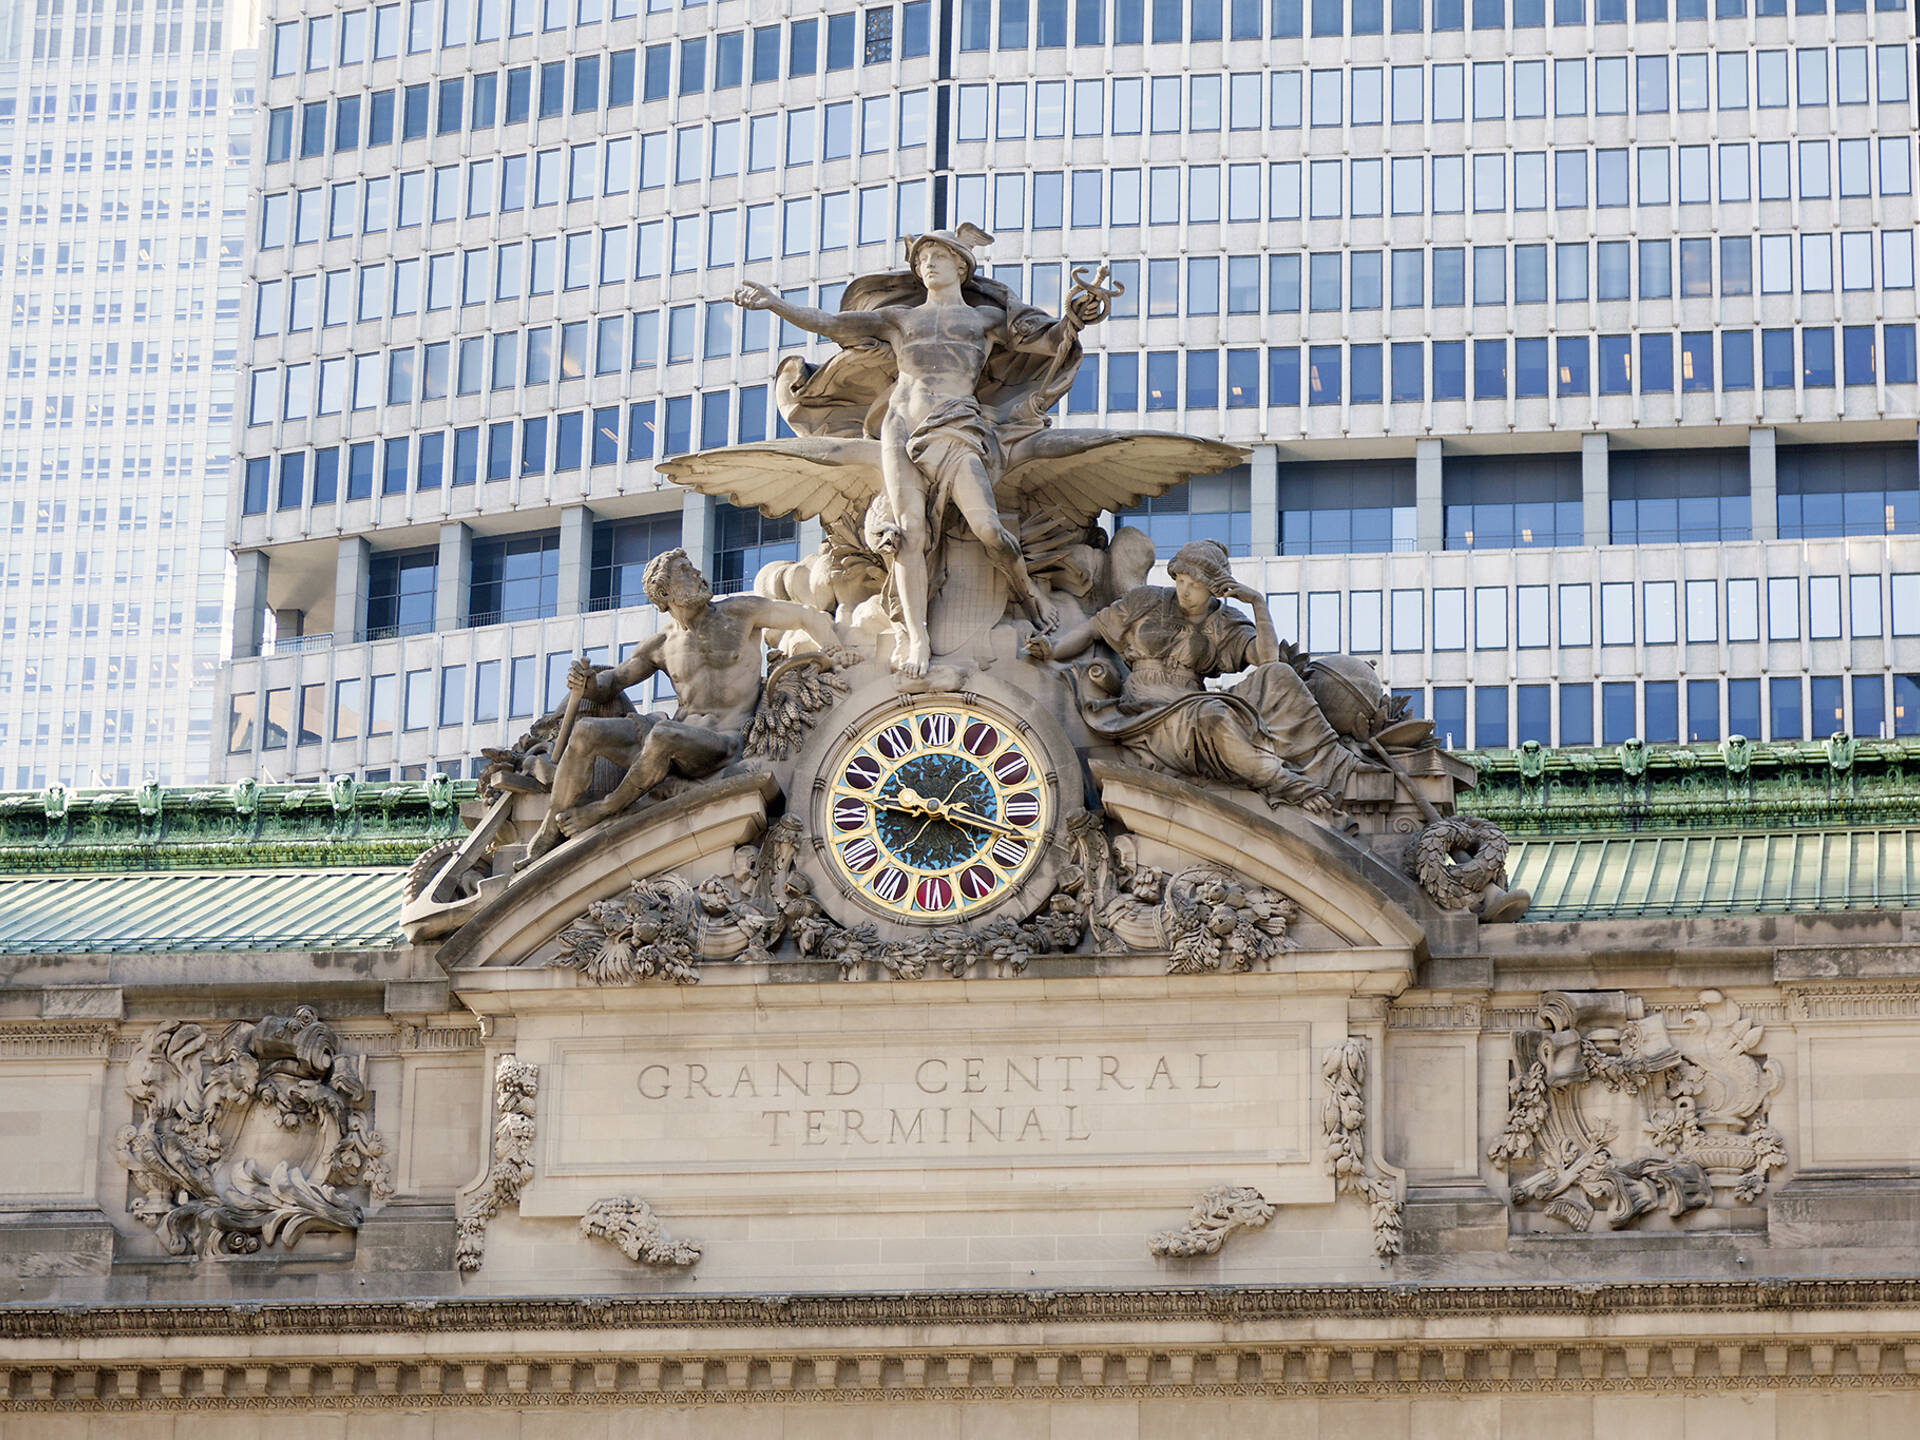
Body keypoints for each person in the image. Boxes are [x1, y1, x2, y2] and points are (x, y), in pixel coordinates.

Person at [732, 226, 1100, 676]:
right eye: (923, 258)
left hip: (957, 426)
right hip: (901, 427)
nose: (928, 264)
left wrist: (1075, 317)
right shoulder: (900, 320)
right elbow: (829, 323)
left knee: (988, 527)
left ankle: (1027, 592)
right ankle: (917, 635)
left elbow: (1049, 341)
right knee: (907, 533)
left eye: (939, 257)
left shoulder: (985, 319)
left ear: (961, 266)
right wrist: (776, 303)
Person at [520, 549, 845, 863]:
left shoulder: (739, 613)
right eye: (686, 572)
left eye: (693, 568)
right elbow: (612, 683)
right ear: (664, 592)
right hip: (673, 739)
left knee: (662, 736)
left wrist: (836, 649)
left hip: (724, 742)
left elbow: (806, 616)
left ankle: (604, 809)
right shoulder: (662, 644)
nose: (698, 575)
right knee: (586, 731)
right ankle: (551, 828)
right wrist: (587, 683)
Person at [1024, 539, 1373, 816]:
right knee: (1215, 717)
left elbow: (1266, 661)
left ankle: (1333, 763)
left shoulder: (1225, 621)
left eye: (1195, 585)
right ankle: (1286, 783)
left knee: (1280, 676)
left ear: (1216, 589)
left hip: (1192, 699)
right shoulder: (1146, 601)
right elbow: (1091, 630)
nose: (1184, 591)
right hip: (1147, 711)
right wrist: (1052, 649)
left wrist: (1257, 604)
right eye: (1180, 580)